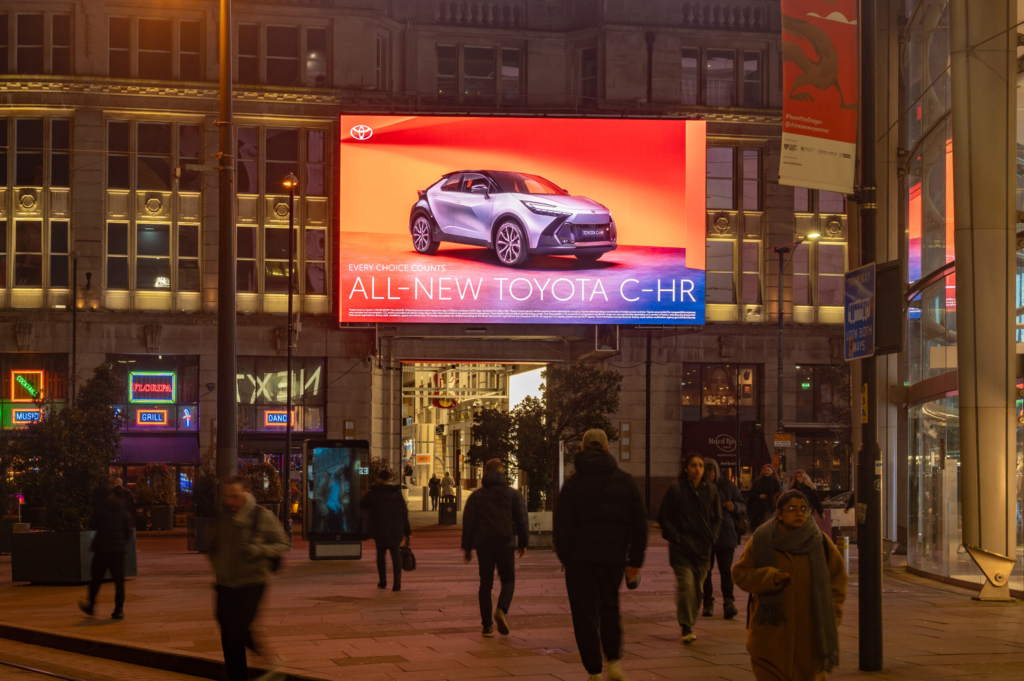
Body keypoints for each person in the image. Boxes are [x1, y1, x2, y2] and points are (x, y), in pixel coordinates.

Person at [554, 429, 647, 681]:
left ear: (582, 449)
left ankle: (594, 670)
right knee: (609, 607)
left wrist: (567, 558)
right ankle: (614, 661)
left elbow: (561, 526)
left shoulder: (572, 485)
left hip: (580, 561)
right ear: (607, 449)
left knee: (584, 615)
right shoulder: (625, 481)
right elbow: (639, 524)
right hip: (613, 559)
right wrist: (634, 562)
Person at [733, 490, 847, 681]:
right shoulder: (762, 540)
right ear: (779, 513)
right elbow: (740, 574)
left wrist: (832, 615)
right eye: (792, 509)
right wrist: (769, 578)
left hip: (811, 634)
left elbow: (837, 581)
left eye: (804, 509)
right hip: (771, 634)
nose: (799, 513)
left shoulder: (821, 543)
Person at [205, 475, 290, 681]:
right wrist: (217, 565)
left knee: (238, 630)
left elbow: (283, 543)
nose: (231, 501)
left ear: (247, 493)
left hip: (252, 582)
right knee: (227, 632)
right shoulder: (222, 517)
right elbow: (211, 546)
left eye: (235, 496)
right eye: (227, 496)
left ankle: (268, 660)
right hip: (225, 583)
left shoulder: (262, 516)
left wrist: (258, 549)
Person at [657, 453, 722, 644]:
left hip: (703, 548)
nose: (698, 469)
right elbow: (663, 516)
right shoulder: (676, 489)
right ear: (686, 468)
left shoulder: (710, 491)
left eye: (701, 465)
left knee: (698, 589)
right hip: (681, 548)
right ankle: (686, 626)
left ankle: (690, 619)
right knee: (686, 586)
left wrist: (713, 537)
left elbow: (718, 518)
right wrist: (676, 537)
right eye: (694, 465)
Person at [461, 458, 529, 637]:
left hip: (484, 545)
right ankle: (501, 609)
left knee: (485, 584)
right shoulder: (512, 495)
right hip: (505, 544)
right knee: (508, 581)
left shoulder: (476, 496)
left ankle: (487, 626)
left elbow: (469, 523)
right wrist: (523, 542)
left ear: (484, 473)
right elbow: (521, 519)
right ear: (502, 473)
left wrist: (467, 548)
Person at [79, 481, 132, 620]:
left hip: (102, 548)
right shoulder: (121, 505)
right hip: (118, 550)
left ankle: (91, 605)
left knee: (96, 578)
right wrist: (122, 542)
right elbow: (127, 528)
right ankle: (119, 609)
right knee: (119, 581)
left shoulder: (99, 506)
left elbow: (93, 524)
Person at [701, 458, 746, 620]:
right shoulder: (700, 487)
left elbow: (742, 504)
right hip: (705, 535)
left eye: (712, 470)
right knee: (705, 571)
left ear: (717, 470)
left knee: (726, 571)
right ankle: (707, 601)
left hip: (725, 534)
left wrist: (734, 506)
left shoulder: (727, 486)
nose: (709, 474)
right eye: (706, 470)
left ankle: (728, 601)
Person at [360, 469, 411, 591]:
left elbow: (363, 505)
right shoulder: (397, 494)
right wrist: (407, 532)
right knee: (396, 555)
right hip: (395, 530)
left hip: (379, 529)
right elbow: (404, 513)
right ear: (389, 480)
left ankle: (383, 581)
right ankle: (397, 583)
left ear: (379, 479)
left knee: (381, 555)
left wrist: (371, 488)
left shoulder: (373, 493)